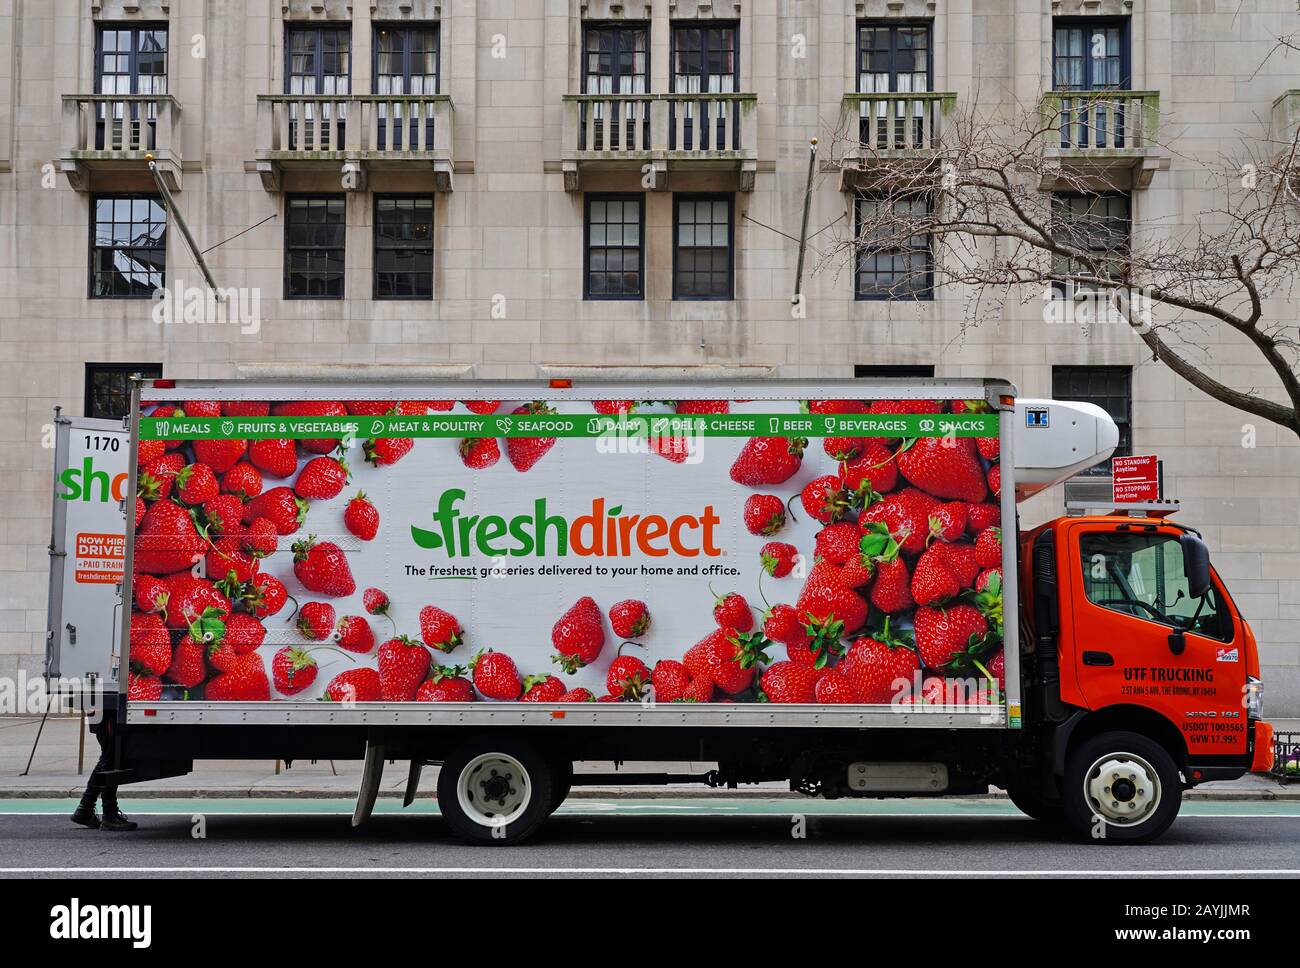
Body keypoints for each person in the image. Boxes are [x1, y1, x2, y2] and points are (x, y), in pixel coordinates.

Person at [71, 710, 137, 831]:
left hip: (101, 709)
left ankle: (85, 808)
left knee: (109, 758)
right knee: (110, 759)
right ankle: (108, 814)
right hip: (105, 711)